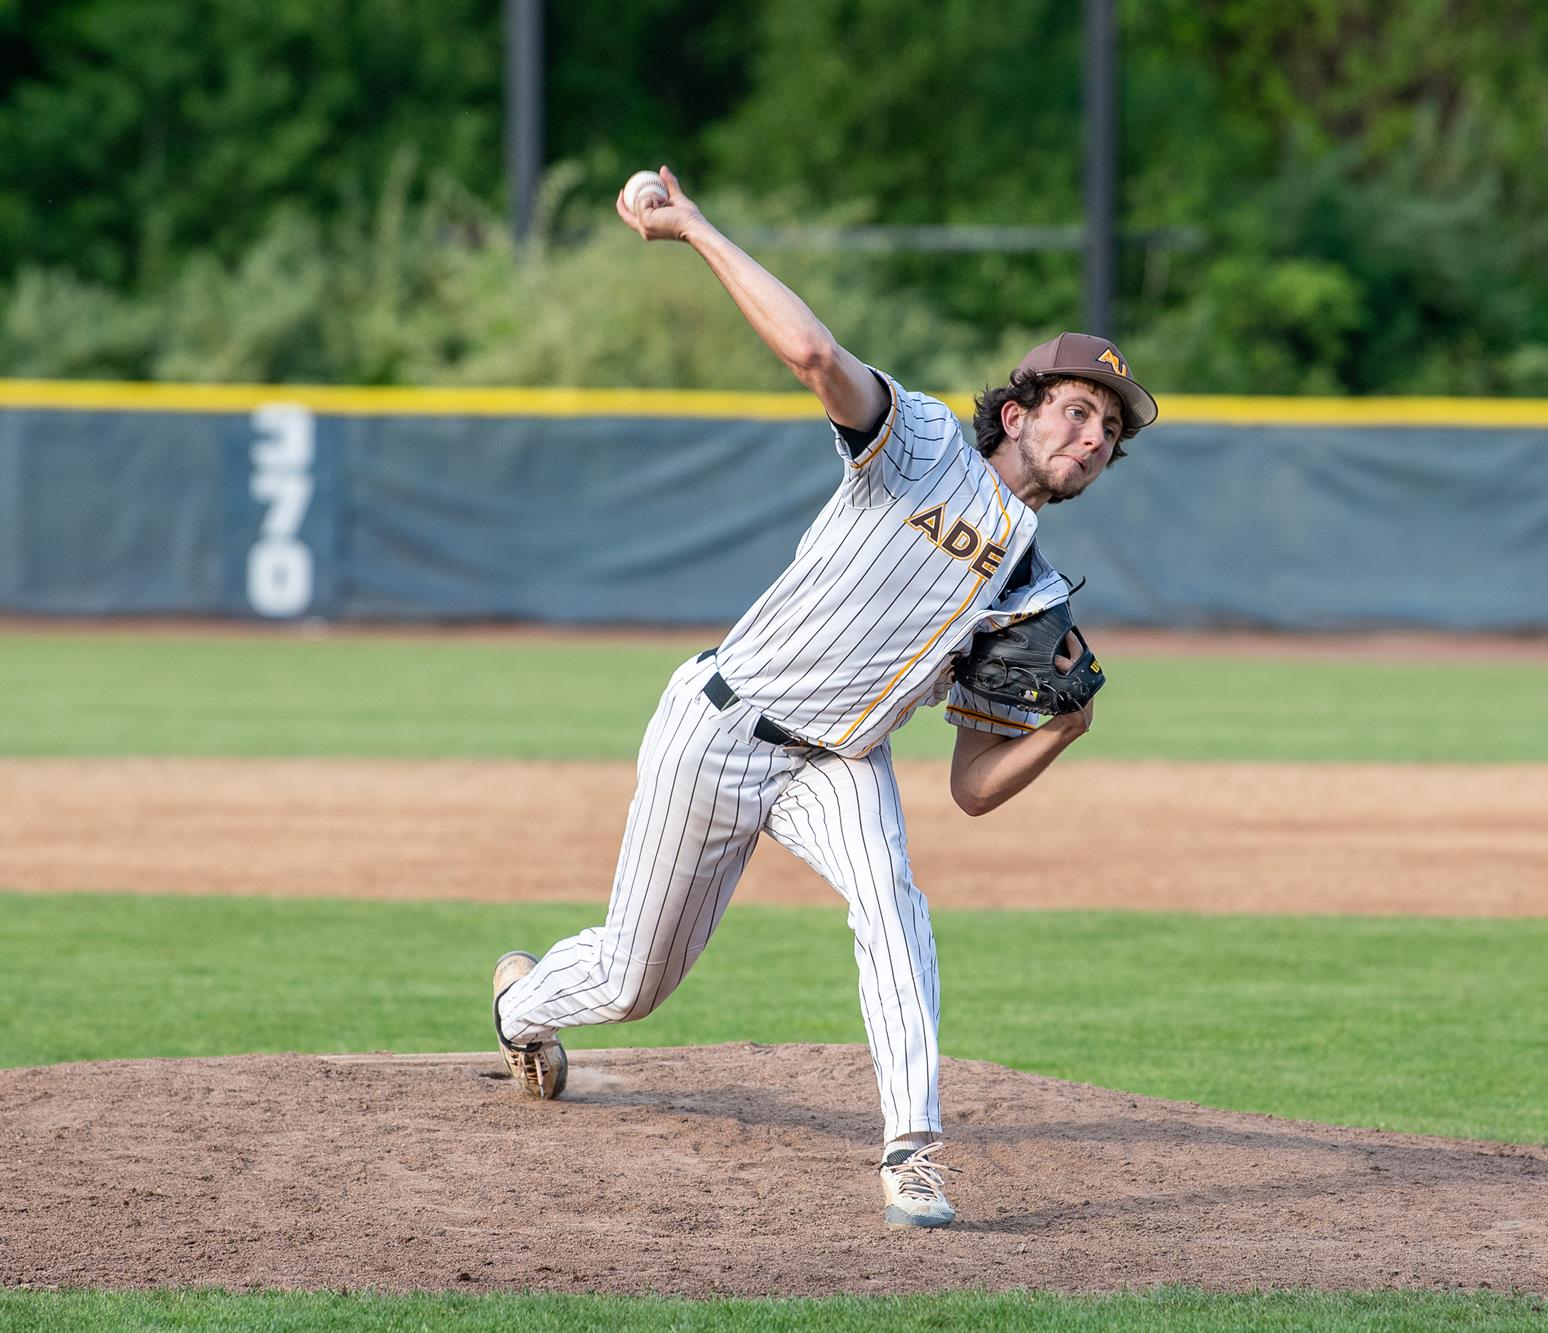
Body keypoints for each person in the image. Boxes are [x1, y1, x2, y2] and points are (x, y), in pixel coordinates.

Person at [492, 165, 1157, 1229]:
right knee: (632, 979)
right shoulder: (925, 443)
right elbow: (810, 355)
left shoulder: (1029, 589)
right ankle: (519, 1005)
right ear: (1021, 408)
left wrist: (1065, 727)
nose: (1089, 438)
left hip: (839, 760)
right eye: (1077, 410)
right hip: (719, 727)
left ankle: (913, 1149)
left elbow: (974, 789)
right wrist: (695, 225)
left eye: (1109, 434)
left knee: (893, 904)